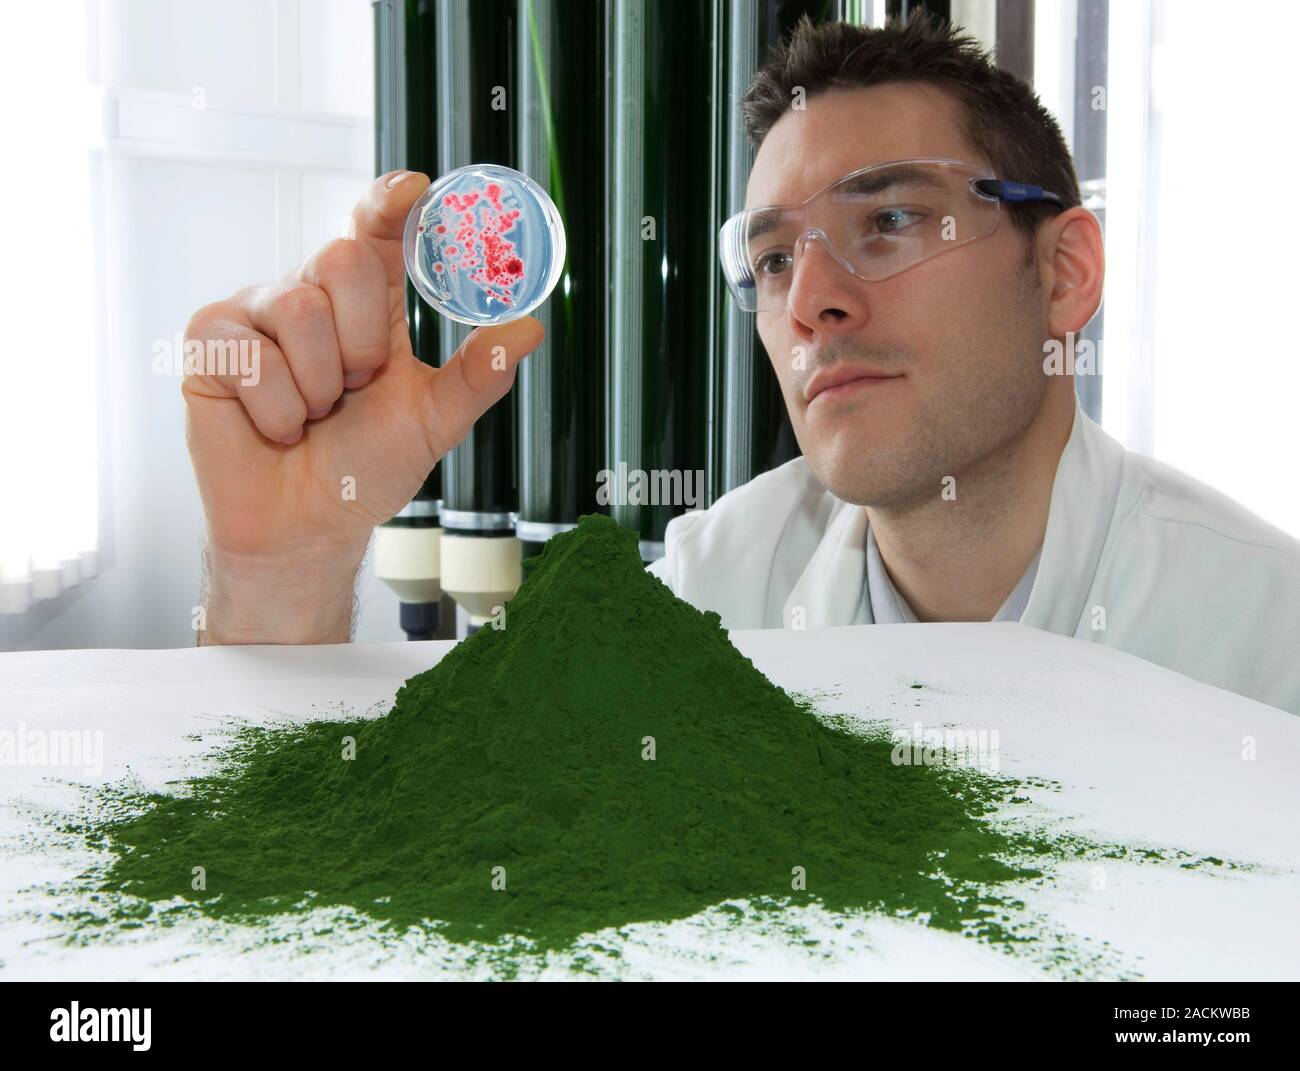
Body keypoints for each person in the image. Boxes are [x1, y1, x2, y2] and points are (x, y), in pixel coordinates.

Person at [184, 14, 1300, 715]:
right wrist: (280, 579)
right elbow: (421, 842)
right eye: (771, 258)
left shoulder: (1262, 646)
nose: (811, 299)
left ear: (1063, 274)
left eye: (893, 221)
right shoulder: (716, 589)